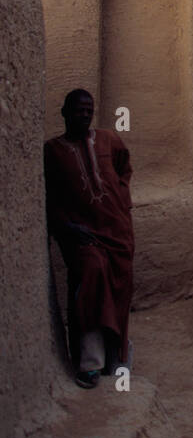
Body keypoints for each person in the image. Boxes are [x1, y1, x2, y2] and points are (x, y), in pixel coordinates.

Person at [43, 90, 135, 388]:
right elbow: (49, 198)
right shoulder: (53, 151)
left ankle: (117, 358)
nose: (84, 115)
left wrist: (119, 201)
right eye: (78, 110)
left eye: (88, 110)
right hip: (81, 235)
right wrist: (67, 226)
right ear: (64, 113)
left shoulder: (108, 140)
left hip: (116, 232)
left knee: (120, 289)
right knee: (93, 273)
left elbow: (124, 168)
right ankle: (90, 361)